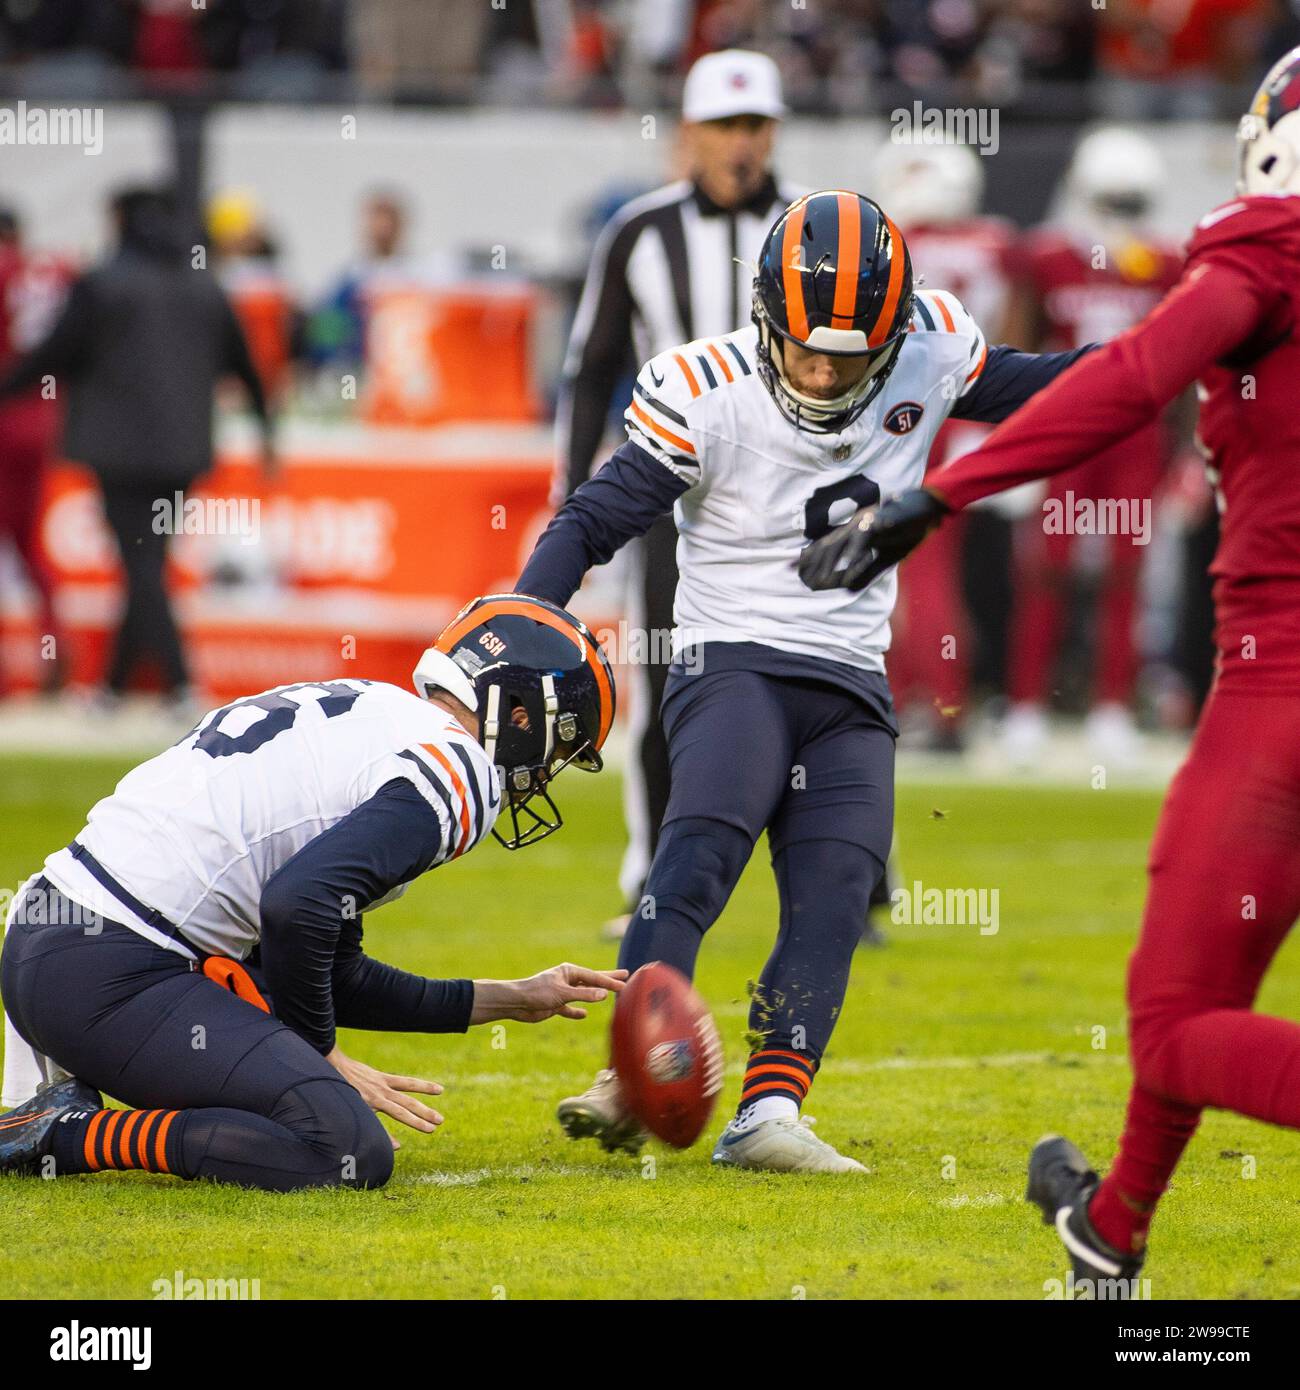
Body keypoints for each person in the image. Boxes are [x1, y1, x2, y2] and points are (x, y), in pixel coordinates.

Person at [799, 48, 1300, 1289]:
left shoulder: (1265, 248)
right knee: (1197, 974)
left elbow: (1132, 374)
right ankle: (1110, 1229)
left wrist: (940, 489)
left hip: (1279, 684)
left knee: (1176, 1019)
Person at [519, 189, 1092, 1172]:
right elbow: (591, 518)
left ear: (897, 331)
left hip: (851, 672)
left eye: (849, 352)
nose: (825, 370)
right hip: (730, 655)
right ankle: (631, 1068)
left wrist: (1185, 345)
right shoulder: (704, 387)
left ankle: (767, 1111)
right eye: (806, 347)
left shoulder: (930, 347)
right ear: (762, 318)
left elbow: (1052, 385)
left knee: (836, 889)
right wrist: (532, 614)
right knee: (695, 853)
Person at [0, 595, 622, 1192]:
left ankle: (61, 1107)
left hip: (52, 940)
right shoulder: (460, 769)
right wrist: (319, 1050)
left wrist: (510, 998)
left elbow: (328, 967)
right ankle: (67, 1134)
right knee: (343, 1146)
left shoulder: (379, 710)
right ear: (519, 710)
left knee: (307, 1069)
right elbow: (297, 908)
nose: (544, 770)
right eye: (559, 743)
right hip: (112, 971)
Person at [557, 49, 798, 936]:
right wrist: (568, 501)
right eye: (726, 126)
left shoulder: (811, 226)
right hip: (674, 497)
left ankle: (853, 885)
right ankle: (652, 880)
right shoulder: (637, 231)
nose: (742, 143)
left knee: (835, 676)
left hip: (794, 491)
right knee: (662, 683)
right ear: (688, 134)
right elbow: (590, 372)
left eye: (756, 125)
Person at [0, 185, 275, 710]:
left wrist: (7, 388)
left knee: (141, 563)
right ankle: (114, 687)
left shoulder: (104, 283)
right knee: (145, 559)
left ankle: (179, 683)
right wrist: (267, 433)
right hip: (183, 449)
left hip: (118, 451)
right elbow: (245, 365)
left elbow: (54, 352)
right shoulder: (203, 285)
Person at [999, 129, 1183, 766]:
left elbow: (1187, 366)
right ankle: (1025, 704)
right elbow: (1015, 352)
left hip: (1137, 435)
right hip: (1068, 431)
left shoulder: (1169, 263)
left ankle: (1112, 706)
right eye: (1112, 202)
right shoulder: (1048, 257)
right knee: (1045, 570)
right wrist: (1014, 439)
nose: (1119, 220)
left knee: (1126, 575)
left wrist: (1187, 457)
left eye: (1131, 204)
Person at [0, 206, 72, 695]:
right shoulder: (51, 269)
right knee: (29, 545)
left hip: (5, 412)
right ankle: (55, 642)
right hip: (43, 415)